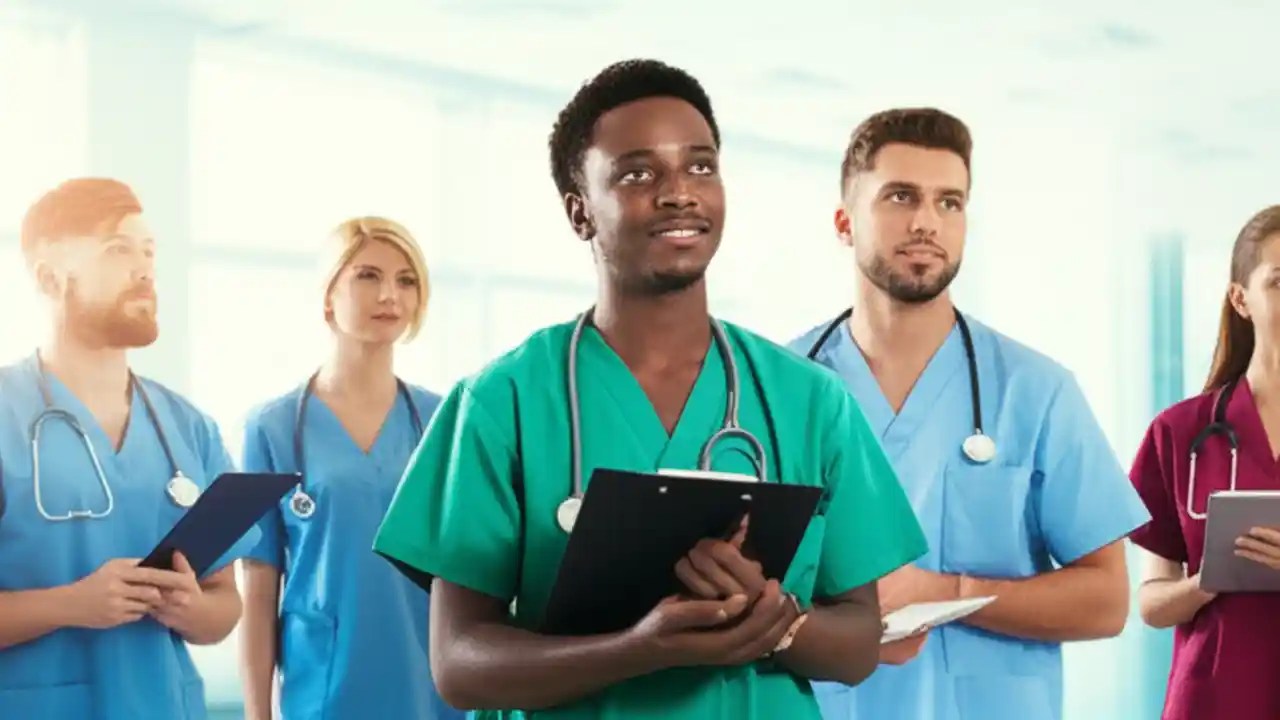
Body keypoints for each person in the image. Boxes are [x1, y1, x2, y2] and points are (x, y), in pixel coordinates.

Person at [372, 58, 928, 719]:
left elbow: (859, 642)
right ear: (580, 212)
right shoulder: (501, 403)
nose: (679, 192)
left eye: (700, 166)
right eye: (638, 173)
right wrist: (640, 648)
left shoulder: (809, 402)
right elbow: (459, 664)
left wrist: (776, 622)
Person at [787, 108, 1151, 720]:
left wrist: (946, 592)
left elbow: (1106, 601)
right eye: (901, 196)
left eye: (949, 202)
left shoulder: (1036, 391)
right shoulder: (779, 389)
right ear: (844, 222)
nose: (927, 222)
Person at [0, 178, 257, 719]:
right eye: (118, 250)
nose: (145, 269)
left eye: (149, 252)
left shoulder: (190, 429)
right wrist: (71, 604)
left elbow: (224, 605)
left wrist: (190, 608)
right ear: (49, 277)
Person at [237, 217, 460, 720]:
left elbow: (467, 568)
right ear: (327, 294)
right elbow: (258, 587)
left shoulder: (443, 420)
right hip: (324, 682)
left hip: (427, 680)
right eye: (367, 276)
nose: (390, 294)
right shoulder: (271, 428)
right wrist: (256, 713)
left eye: (406, 280)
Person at [1128, 205, 1280, 720]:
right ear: (1242, 299)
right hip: (1215, 700)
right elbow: (1150, 604)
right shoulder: (1180, 432)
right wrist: (1208, 581)